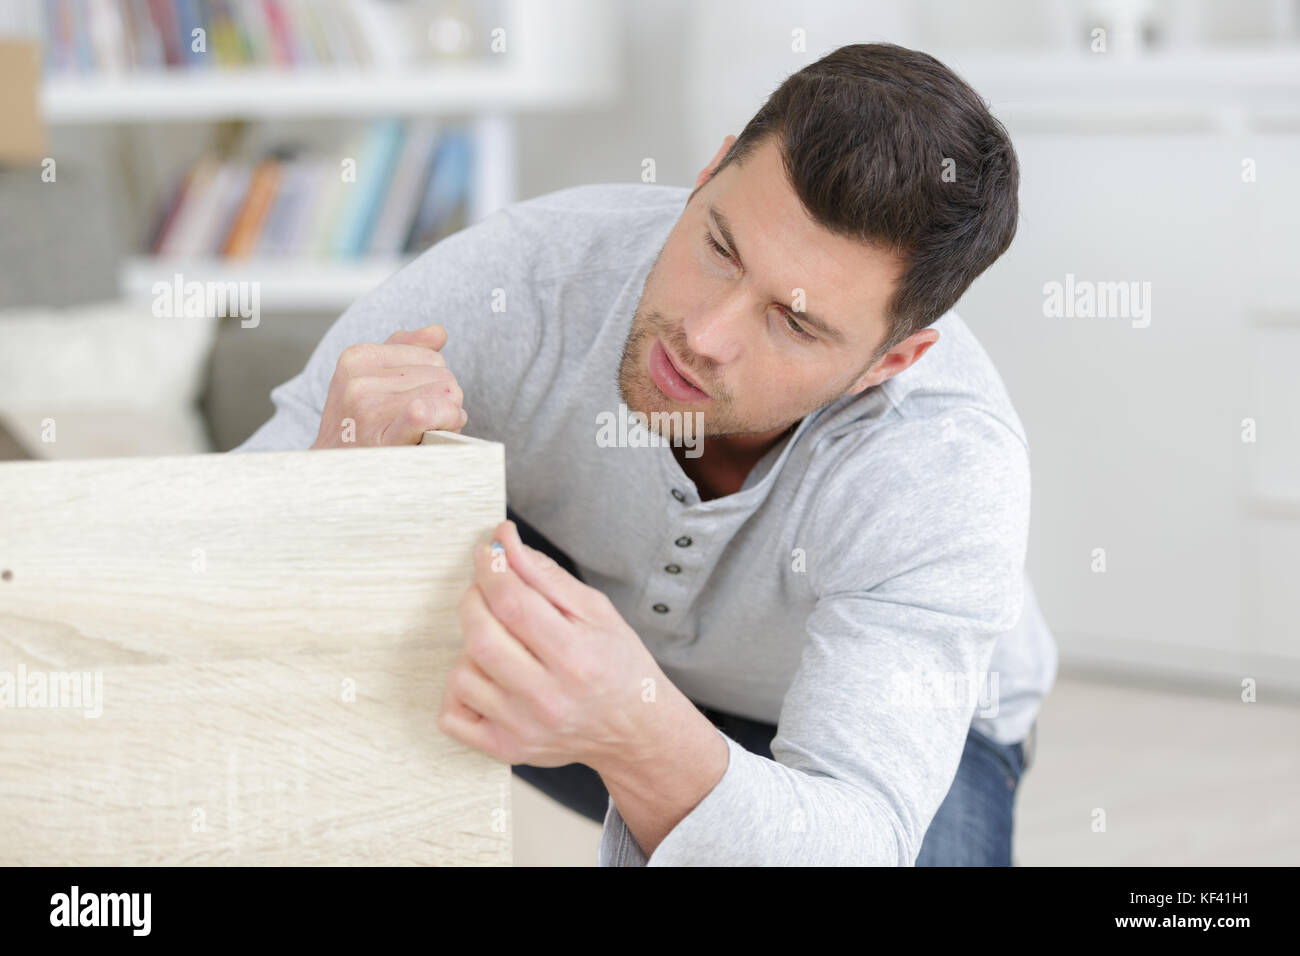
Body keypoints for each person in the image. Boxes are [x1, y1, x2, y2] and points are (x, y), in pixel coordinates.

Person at [234, 42, 1058, 865]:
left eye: (794, 323)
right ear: (705, 176)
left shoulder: (944, 466)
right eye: (721, 248)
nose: (702, 335)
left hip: (885, 748)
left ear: (887, 364)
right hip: (597, 663)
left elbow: (857, 837)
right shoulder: (527, 275)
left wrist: (636, 729)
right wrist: (327, 477)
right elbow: (211, 538)